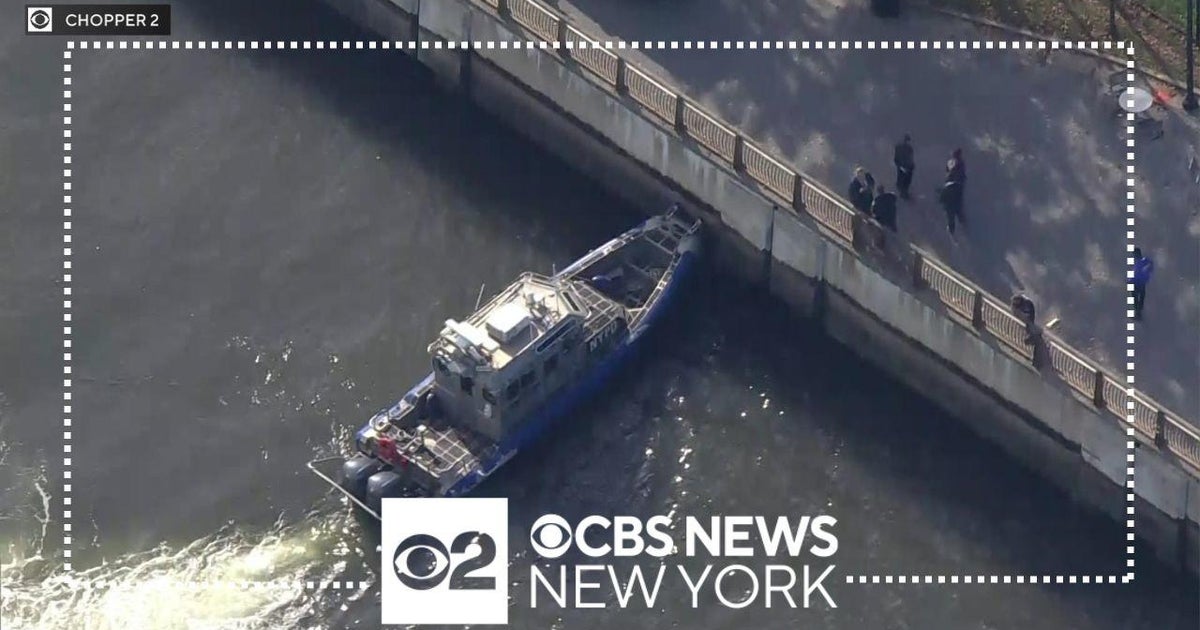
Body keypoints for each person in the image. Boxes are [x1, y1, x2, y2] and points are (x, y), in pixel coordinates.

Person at [1132, 247, 1155, 320]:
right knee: (1137, 297)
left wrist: (1147, 269)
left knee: (1138, 297)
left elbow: (1150, 265)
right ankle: (1138, 313)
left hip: (1140, 282)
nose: (1134, 256)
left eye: (1135, 254)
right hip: (1138, 282)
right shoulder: (1138, 261)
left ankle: (1138, 313)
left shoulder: (1143, 260)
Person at [893, 134, 915, 199]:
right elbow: (910, 158)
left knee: (903, 180)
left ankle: (903, 193)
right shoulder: (908, 148)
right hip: (905, 166)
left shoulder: (905, 147)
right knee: (905, 181)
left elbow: (896, 158)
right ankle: (903, 193)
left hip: (904, 166)